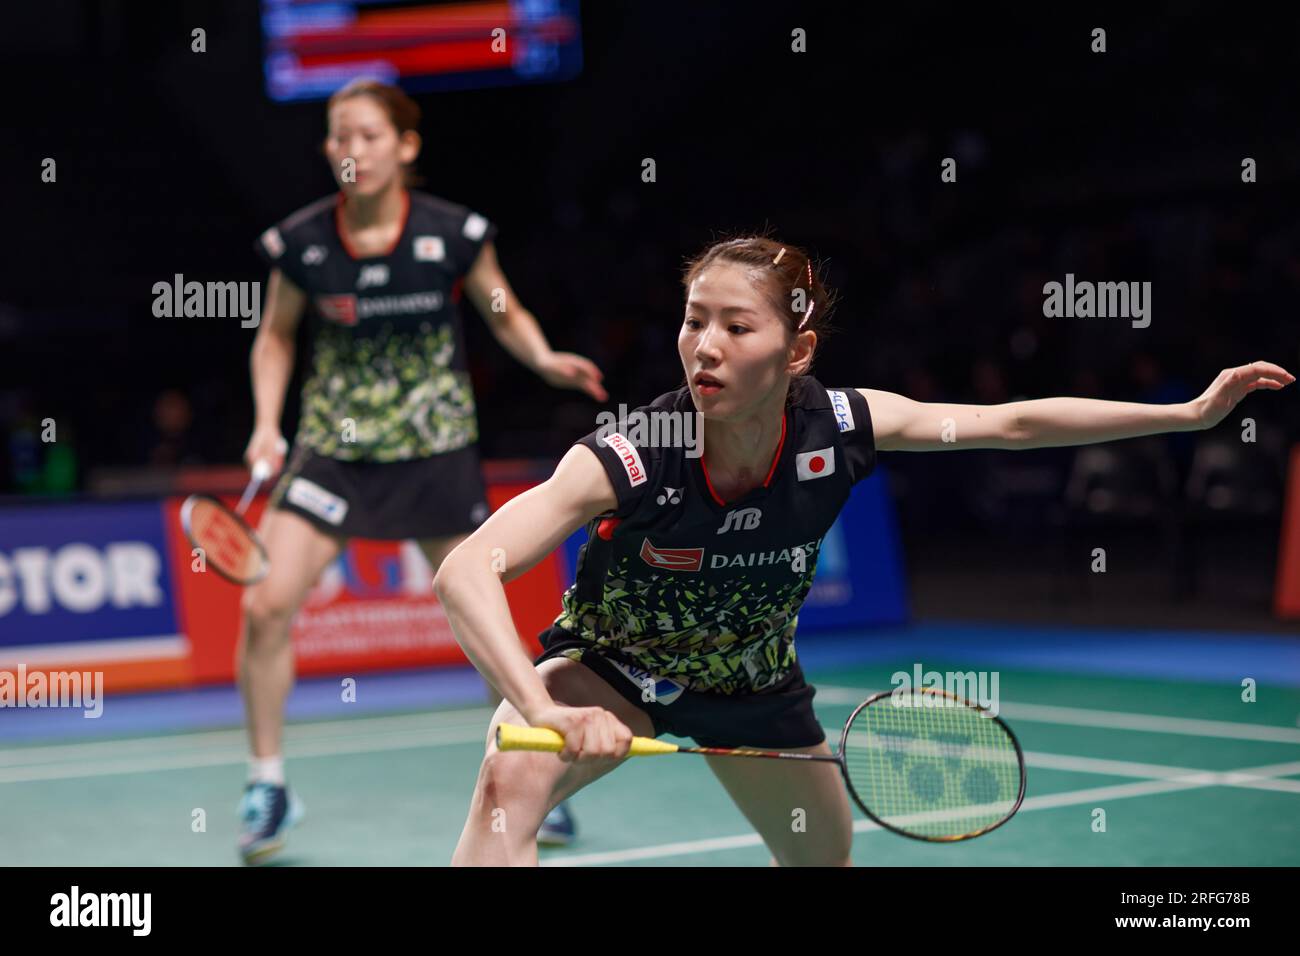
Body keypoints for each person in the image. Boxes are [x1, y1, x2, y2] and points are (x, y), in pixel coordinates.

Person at [432, 234, 1294, 866]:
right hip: (609, 671)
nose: (706, 345)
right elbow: (465, 568)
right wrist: (542, 712)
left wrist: (1184, 416)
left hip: (754, 684)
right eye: (696, 321)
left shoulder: (842, 427)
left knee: (819, 860)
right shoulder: (630, 452)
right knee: (506, 791)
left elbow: (1010, 422)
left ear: (797, 352)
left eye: (738, 327)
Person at [238, 78, 604, 863]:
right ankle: (267, 782)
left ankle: (529, 766)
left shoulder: (452, 233)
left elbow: (500, 307)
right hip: (332, 456)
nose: (353, 151)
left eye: (370, 136)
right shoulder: (302, 243)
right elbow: (274, 337)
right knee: (266, 605)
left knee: (484, 617)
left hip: (435, 449)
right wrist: (266, 425)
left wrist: (541, 356)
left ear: (406, 147)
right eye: (340, 136)